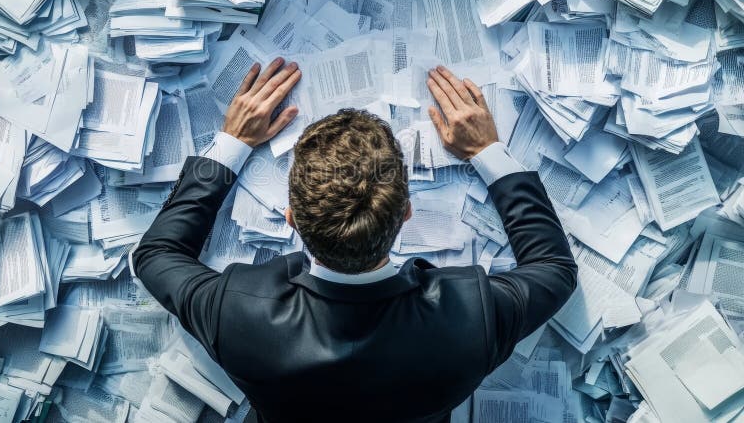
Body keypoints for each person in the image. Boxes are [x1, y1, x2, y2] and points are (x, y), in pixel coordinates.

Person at [132, 58, 578, 423]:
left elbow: (155, 256)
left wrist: (230, 144)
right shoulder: (470, 319)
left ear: (291, 219)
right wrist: (487, 151)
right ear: (405, 214)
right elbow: (555, 271)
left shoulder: (238, 313)